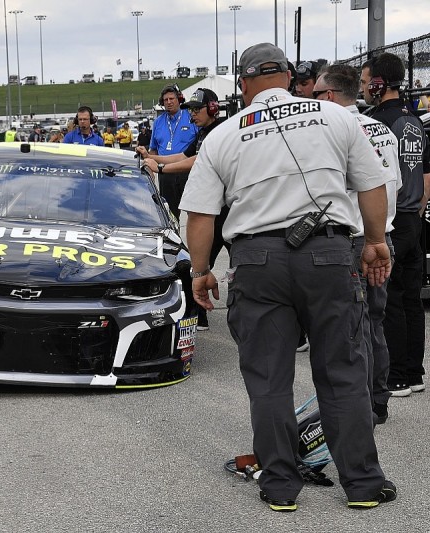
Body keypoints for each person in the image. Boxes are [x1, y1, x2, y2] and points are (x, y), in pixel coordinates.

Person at [180, 43, 395, 512]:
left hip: (257, 261)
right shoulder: (336, 117)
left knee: (269, 380)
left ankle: (279, 486)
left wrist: (200, 271)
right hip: (328, 253)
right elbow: (371, 182)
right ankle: (362, 484)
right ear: (291, 76)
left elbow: (199, 215)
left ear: (242, 86)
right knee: (343, 373)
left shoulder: (223, 134)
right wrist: (376, 240)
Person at [314, 64, 401, 424]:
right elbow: (391, 184)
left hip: (352, 240)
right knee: (374, 323)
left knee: (352, 329)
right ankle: (378, 400)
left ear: (330, 96)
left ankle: (359, 405)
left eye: (316, 94)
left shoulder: (331, 132)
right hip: (383, 236)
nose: (311, 100)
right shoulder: (381, 129)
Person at [361, 52, 430, 397]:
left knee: (391, 300)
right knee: (412, 298)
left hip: (390, 219)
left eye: (365, 81)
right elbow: (427, 176)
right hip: (414, 219)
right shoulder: (414, 119)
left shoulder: (378, 122)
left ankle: (397, 375)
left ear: (378, 83)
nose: (363, 88)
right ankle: (414, 371)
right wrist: (416, 213)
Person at [142, 88, 227, 331]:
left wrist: (160, 169)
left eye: (197, 109)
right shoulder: (201, 133)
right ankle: (200, 316)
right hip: (214, 211)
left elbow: (197, 161)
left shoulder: (219, 132)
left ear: (212, 108)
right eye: (190, 109)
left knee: (246, 268)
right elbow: (181, 155)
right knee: (199, 266)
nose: (192, 114)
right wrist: (155, 159)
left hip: (230, 211)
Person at [143, 85, 198, 216]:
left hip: (186, 171)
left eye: (172, 98)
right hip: (164, 172)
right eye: (166, 99)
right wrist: (151, 172)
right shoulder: (158, 122)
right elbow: (153, 150)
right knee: (169, 213)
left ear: (179, 99)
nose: (169, 102)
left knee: (194, 211)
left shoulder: (191, 118)